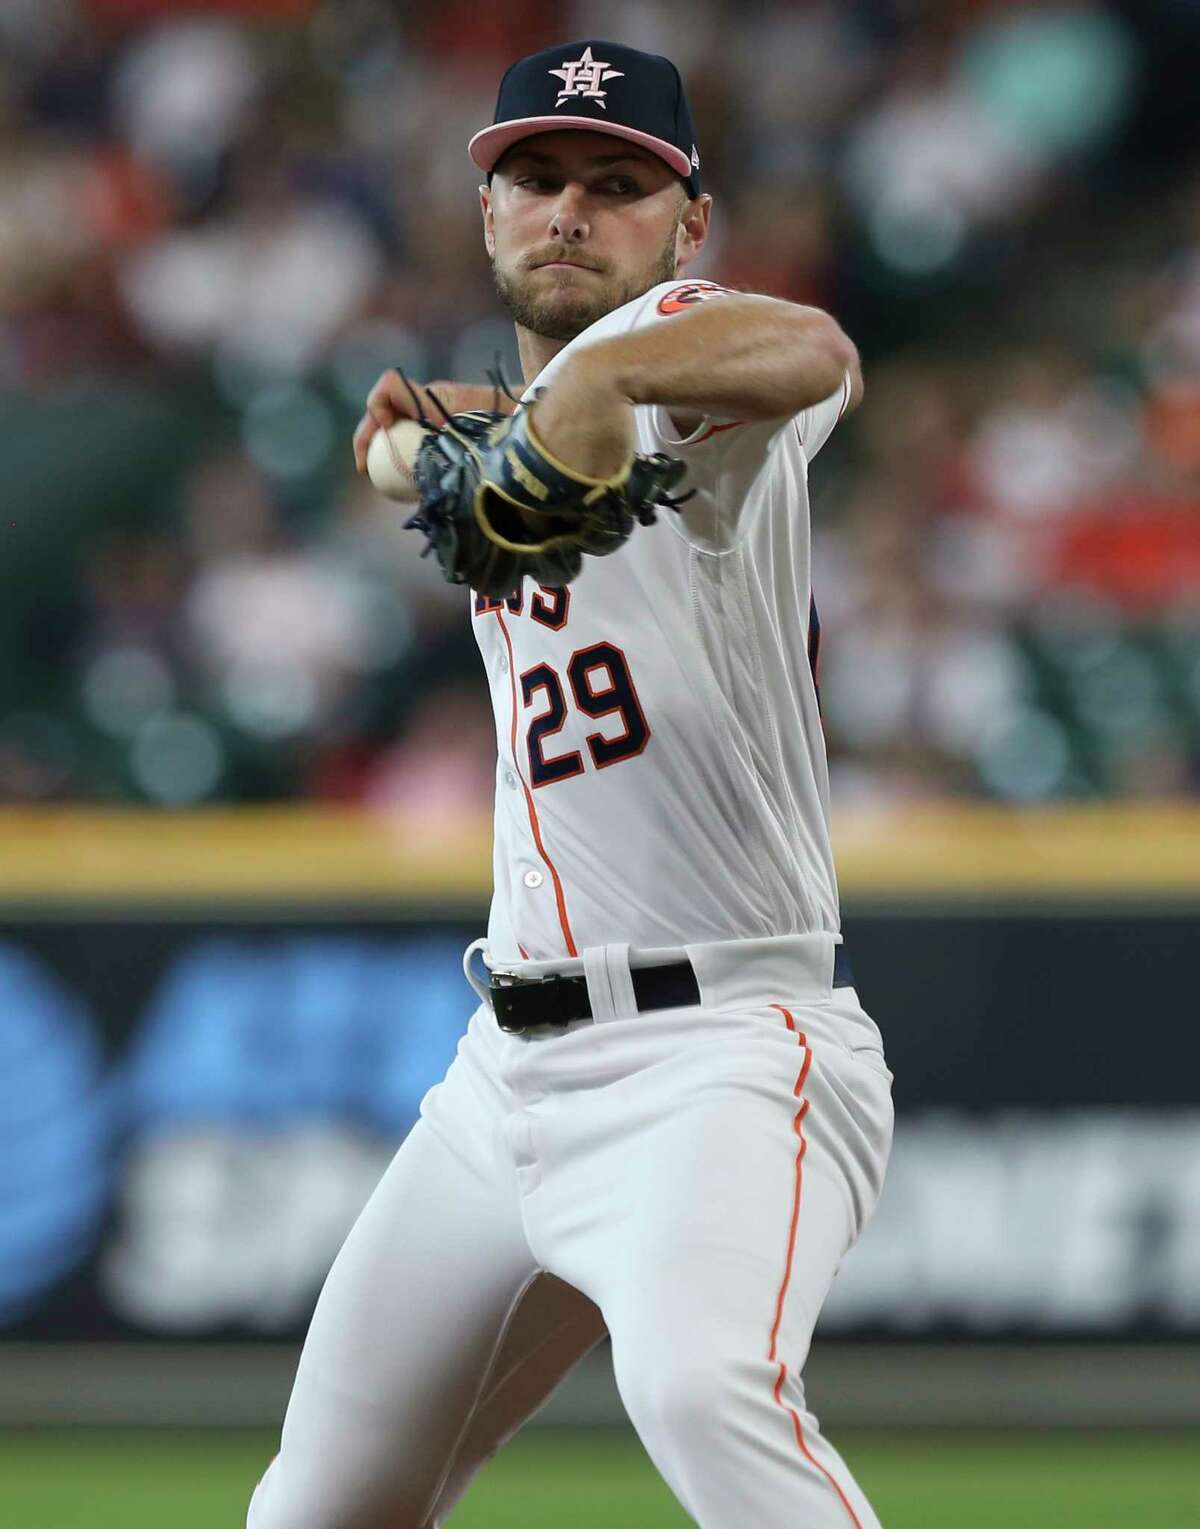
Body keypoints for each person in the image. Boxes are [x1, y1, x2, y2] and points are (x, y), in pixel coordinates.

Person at [249, 39, 893, 1529]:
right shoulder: (526, 426)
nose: (569, 212)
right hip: (503, 1075)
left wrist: (595, 374)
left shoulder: (688, 377)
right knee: (318, 1503)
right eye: (535, 179)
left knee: (701, 1391)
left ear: (688, 225)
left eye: (618, 185)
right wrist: (422, 440)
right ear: (486, 214)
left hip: (725, 1047)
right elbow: (421, 440)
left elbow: (817, 353)